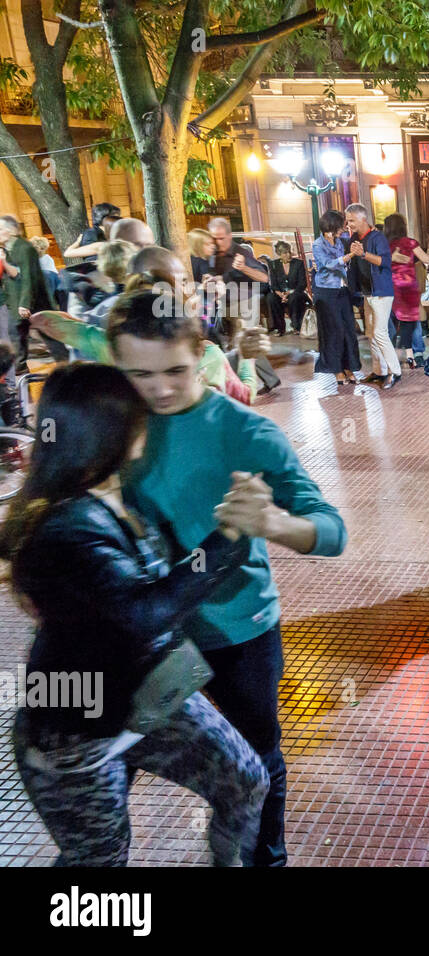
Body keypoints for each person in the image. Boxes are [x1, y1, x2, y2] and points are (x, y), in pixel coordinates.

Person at [107, 289, 347, 866]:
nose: (160, 388)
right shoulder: (109, 423)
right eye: (140, 374)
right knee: (114, 762)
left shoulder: (244, 431)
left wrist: (275, 523)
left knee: (259, 757)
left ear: (201, 354)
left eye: (176, 371)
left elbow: (332, 531)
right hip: (142, 636)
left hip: (239, 635)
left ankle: (267, 858)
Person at [1, 362, 268, 866]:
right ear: (108, 432)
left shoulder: (109, 492)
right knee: (98, 857)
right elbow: (147, 613)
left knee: (246, 779)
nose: (148, 416)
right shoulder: (64, 527)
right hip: (74, 728)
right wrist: (229, 536)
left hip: (147, 689)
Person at [29, 245, 266, 406]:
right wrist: (247, 357)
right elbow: (244, 396)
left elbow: (44, 320)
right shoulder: (205, 353)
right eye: (183, 281)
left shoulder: (114, 346)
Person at [343, 203, 401, 388]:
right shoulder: (354, 238)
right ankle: (379, 371)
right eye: (347, 220)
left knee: (380, 332)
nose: (348, 224)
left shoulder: (377, 237)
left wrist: (363, 254)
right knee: (370, 333)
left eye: (351, 220)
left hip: (381, 292)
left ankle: (395, 372)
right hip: (367, 292)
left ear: (363, 218)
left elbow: (385, 261)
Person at [0, 214, 64, 372]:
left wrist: (24, 304)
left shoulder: (24, 248)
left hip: (32, 303)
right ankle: (21, 370)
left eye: (1, 229)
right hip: (18, 302)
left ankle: (67, 366)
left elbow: (28, 277)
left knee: (49, 336)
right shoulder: (9, 249)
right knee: (17, 337)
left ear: (12, 231)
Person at [311, 209, 362, 386]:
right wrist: (349, 256)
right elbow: (328, 264)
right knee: (334, 331)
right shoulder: (318, 244)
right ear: (332, 226)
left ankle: (349, 367)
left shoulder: (341, 241)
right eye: (341, 226)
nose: (343, 229)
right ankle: (337, 369)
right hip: (326, 292)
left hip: (342, 290)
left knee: (349, 329)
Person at [384, 213, 429, 369]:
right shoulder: (410, 243)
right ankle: (408, 354)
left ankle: (407, 356)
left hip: (390, 287)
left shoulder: (384, 245)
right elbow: (427, 260)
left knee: (395, 322)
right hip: (408, 287)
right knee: (410, 323)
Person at [208, 217, 267, 337]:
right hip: (226, 305)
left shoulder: (241, 252)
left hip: (245, 304)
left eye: (221, 238)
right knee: (233, 344)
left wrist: (244, 268)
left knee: (245, 343)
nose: (217, 242)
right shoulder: (214, 255)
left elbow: (263, 277)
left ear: (229, 236)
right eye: (214, 238)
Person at [267, 241, 308, 337]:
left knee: (294, 297)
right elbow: (273, 284)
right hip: (280, 293)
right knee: (271, 298)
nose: (288, 255)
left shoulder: (298, 263)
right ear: (279, 254)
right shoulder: (274, 264)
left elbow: (302, 284)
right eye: (285, 253)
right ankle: (280, 328)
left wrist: (289, 293)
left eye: (289, 252)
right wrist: (280, 294)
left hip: (296, 291)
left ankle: (296, 326)